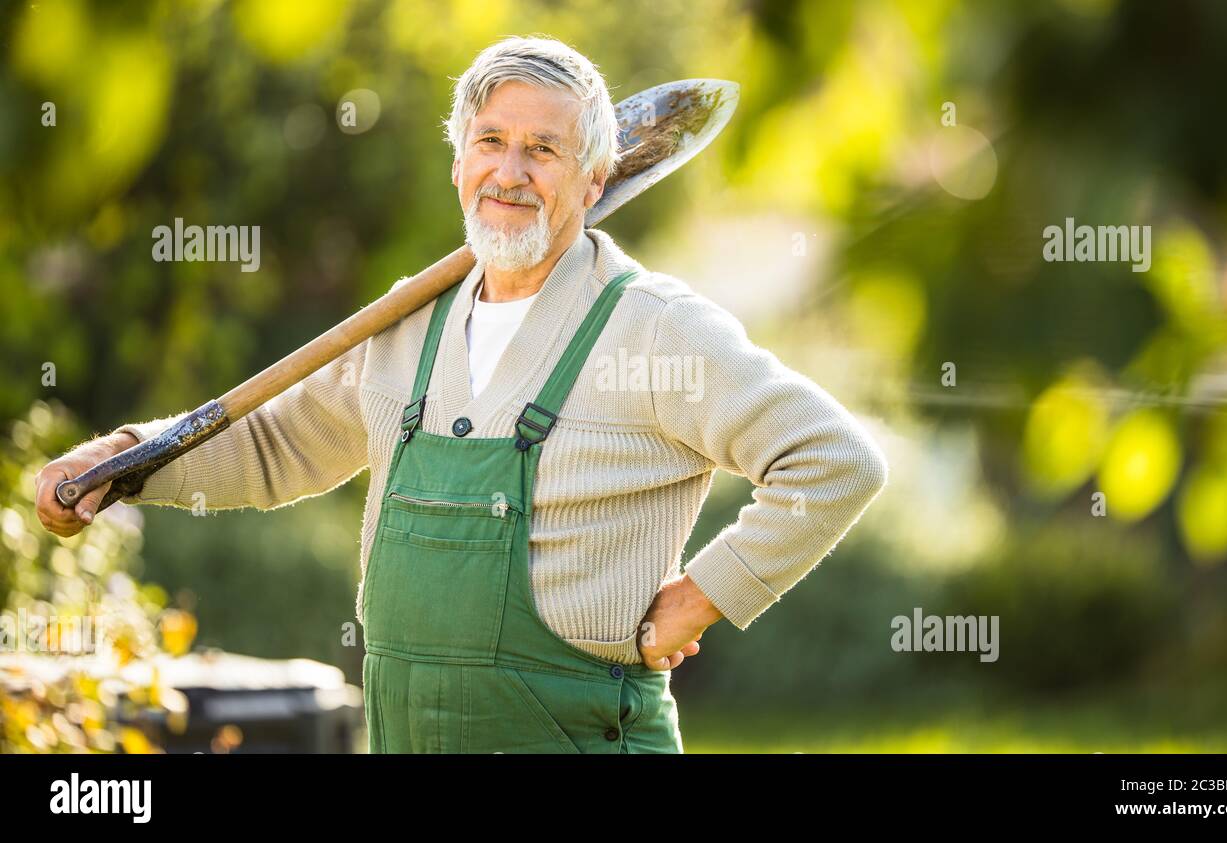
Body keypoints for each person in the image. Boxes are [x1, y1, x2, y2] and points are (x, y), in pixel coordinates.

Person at [35, 36, 889, 753]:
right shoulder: (412, 323)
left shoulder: (653, 328)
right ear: (458, 164)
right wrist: (127, 459)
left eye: (544, 150)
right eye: (491, 142)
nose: (510, 173)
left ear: (595, 184)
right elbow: (273, 445)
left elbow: (833, 460)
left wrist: (704, 596)